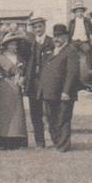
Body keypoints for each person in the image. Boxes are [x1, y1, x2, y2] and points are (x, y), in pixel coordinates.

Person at [35, 24, 79, 152]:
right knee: (51, 118)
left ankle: (63, 146)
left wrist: (66, 91)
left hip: (62, 93)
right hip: (49, 92)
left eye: (59, 36)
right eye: (55, 36)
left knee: (63, 119)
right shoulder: (52, 50)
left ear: (66, 37)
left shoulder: (71, 51)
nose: (56, 39)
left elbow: (72, 73)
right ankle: (57, 142)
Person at [0, 31, 29, 150]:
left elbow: (25, 71)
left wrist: (22, 77)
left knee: (18, 113)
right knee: (5, 113)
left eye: (15, 44)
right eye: (11, 44)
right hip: (6, 87)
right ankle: (5, 140)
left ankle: (19, 140)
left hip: (17, 87)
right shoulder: (0, 59)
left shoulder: (20, 58)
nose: (14, 46)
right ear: (6, 45)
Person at [23, 17, 54, 148]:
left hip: (47, 83)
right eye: (35, 27)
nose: (38, 29)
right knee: (35, 114)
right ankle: (40, 142)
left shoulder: (51, 42)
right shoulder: (29, 43)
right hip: (33, 83)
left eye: (40, 26)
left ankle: (55, 139)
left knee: (51, 113)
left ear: (44, 27)